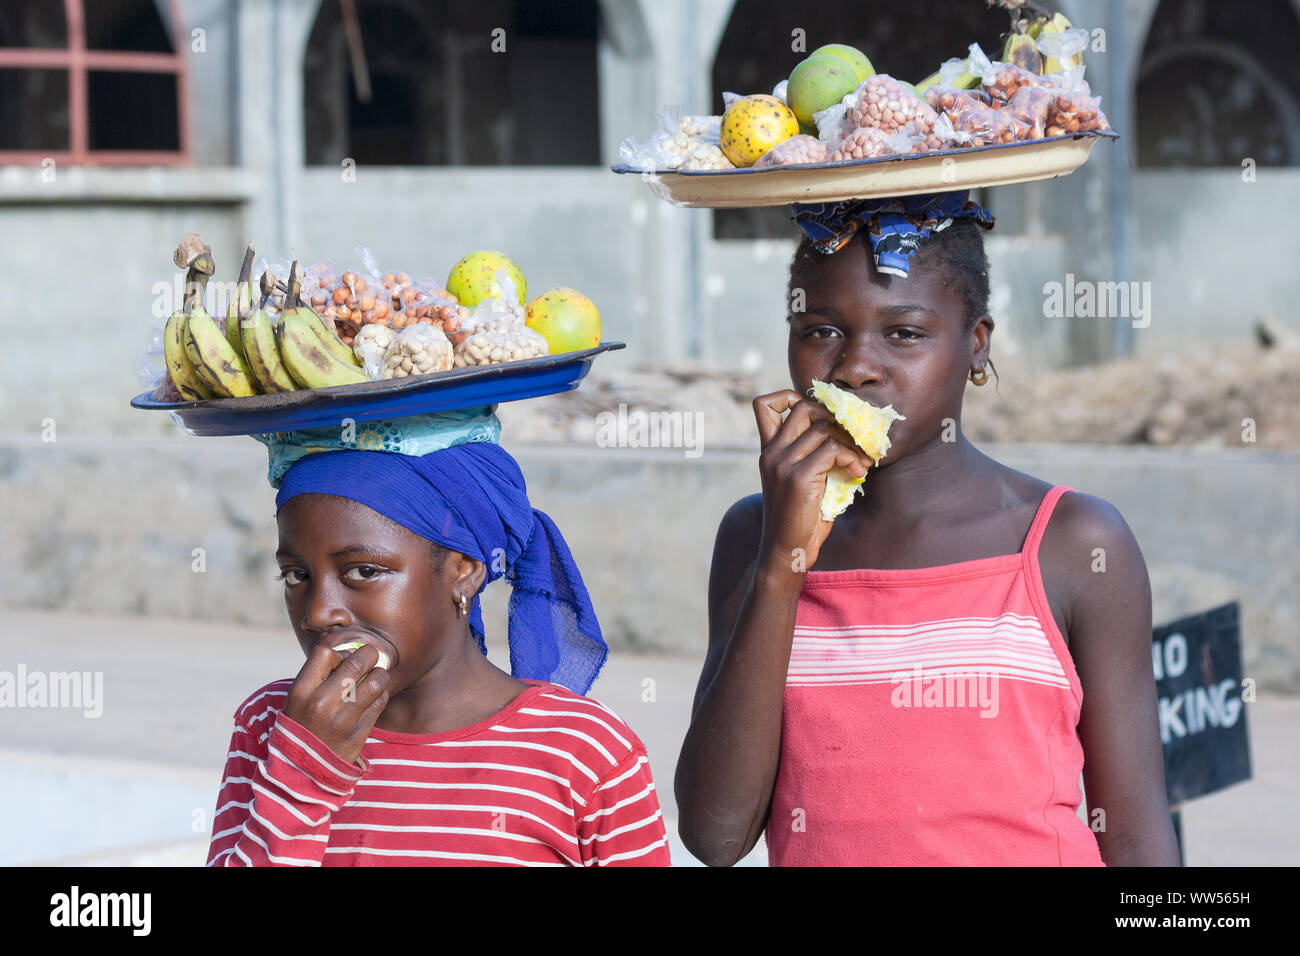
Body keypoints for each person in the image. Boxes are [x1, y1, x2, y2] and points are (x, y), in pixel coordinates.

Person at [675, 193, 1180, 867]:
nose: (856, 367)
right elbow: (715, 835)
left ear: (976, 345)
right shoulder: (755, 537)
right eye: (821, 331)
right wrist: (781, 564)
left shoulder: (1073, 541)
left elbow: (1138, 834)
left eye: (904, 333)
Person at [206, 429, 671, 867]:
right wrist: (303, 771)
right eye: (296, 576)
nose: (320, 613)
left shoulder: (587, 751)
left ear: (464, 570)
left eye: (364, 571)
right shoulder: (272, 722)